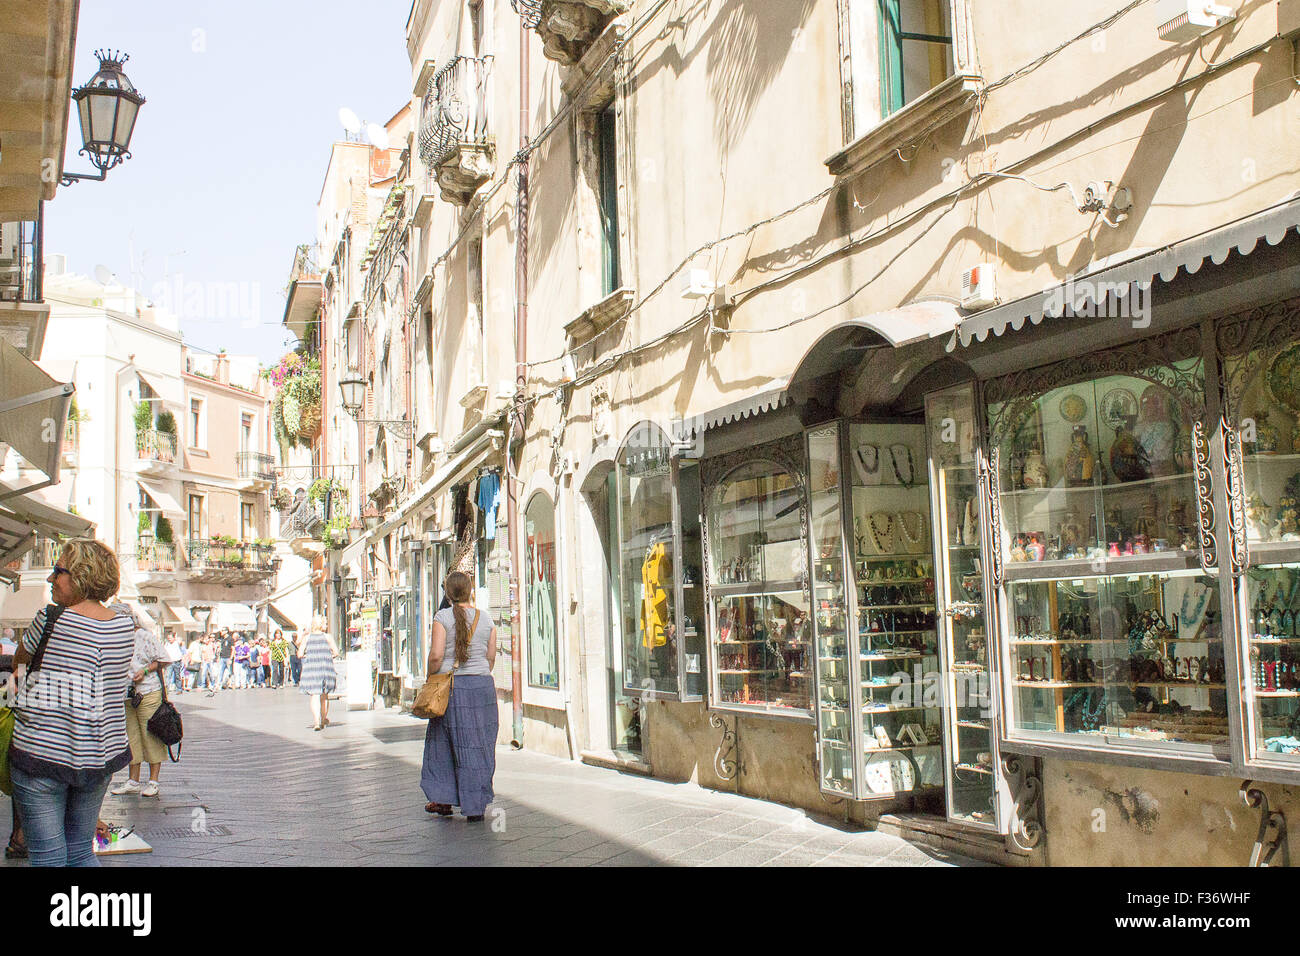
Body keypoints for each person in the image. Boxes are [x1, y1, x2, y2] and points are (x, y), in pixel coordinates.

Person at [7, 538, 134, 866]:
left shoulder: (50, 620)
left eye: (57, 571)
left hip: (40, 755)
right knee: (80, 851)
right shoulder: (123, 626)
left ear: (81, 575)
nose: (51, 579)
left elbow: (19, 670)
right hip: (98, 756)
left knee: (47, 857)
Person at [421, 571, 498, 822]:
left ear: (447, 593)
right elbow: (491, 657)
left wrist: (431, 677)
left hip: (452, 688)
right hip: (483, 687)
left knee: (443, 744)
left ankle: (443, 800)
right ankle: (476, 804)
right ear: (470, 591)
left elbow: (436, 655)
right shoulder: (486, 619)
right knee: (480, 745)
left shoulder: (442, 617)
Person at [110, 608, 169, 798]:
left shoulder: (144, 636)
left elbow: (164, 659)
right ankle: (133, 781)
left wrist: (144, 671)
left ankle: (153, 781)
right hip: (126, 693)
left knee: (149, 734)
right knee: (131, 737)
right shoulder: (115, 638)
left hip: (147, 691)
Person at [298, 615, 339, 731]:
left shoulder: (307, 638)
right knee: (324, 695)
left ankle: (316, 721)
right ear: (321, 625)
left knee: (314, 695)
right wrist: (326, 656)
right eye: (325, 623)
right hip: (325, 668)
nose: (326, 626)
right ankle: (323, 719)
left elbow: (300, 654)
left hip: (311, 668)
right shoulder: (327, 637)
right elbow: (336, 652)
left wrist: (310, 656)